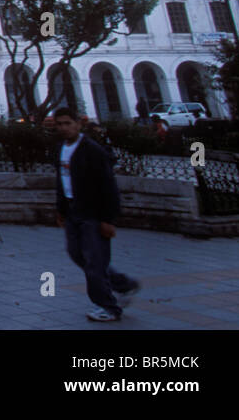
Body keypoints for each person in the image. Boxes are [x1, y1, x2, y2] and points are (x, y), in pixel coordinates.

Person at [54, 107, 139, 322]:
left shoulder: (92, 150)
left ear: (78, 124)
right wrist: (61, 210)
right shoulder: (60, 149)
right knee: (77, 254)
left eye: (68, 123)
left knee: (94, 261)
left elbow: (107, 186)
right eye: (60, 124)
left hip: (92, 212)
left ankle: (108, 307)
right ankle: (123, 284)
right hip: (73, 210)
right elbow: (61, 182)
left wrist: (108, 220)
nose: (64, 128)